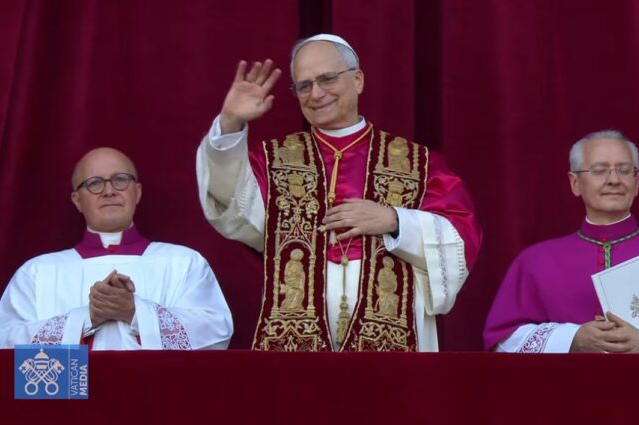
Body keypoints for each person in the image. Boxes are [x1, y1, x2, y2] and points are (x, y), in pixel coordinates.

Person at [195, 34, 481, 351]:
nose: (316, 94)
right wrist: (230, 123)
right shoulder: (271, 162)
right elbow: (231, 207)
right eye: (304, 85)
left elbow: (460, 239)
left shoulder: (419, 164)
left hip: (394, 344)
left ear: (357, 80)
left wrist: (395, 220)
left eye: (327, 79)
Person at [483, 130, 639, 355]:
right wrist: (572, 339)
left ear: (637, 182)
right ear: (575, 183)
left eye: (624, 170)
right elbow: (502, 341)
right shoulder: (535, 261)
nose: (614, 180)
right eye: (599, 170)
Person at [0, 147, 233, 350]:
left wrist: (136, 312)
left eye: (120, 180)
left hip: (154, 392)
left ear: (137, 192)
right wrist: (86, 319)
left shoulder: (184, 263)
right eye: (94, 183)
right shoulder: (37, 272)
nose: (109, 191)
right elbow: (3, 343)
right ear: (77, 200)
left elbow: (217, 333)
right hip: (71, 395)